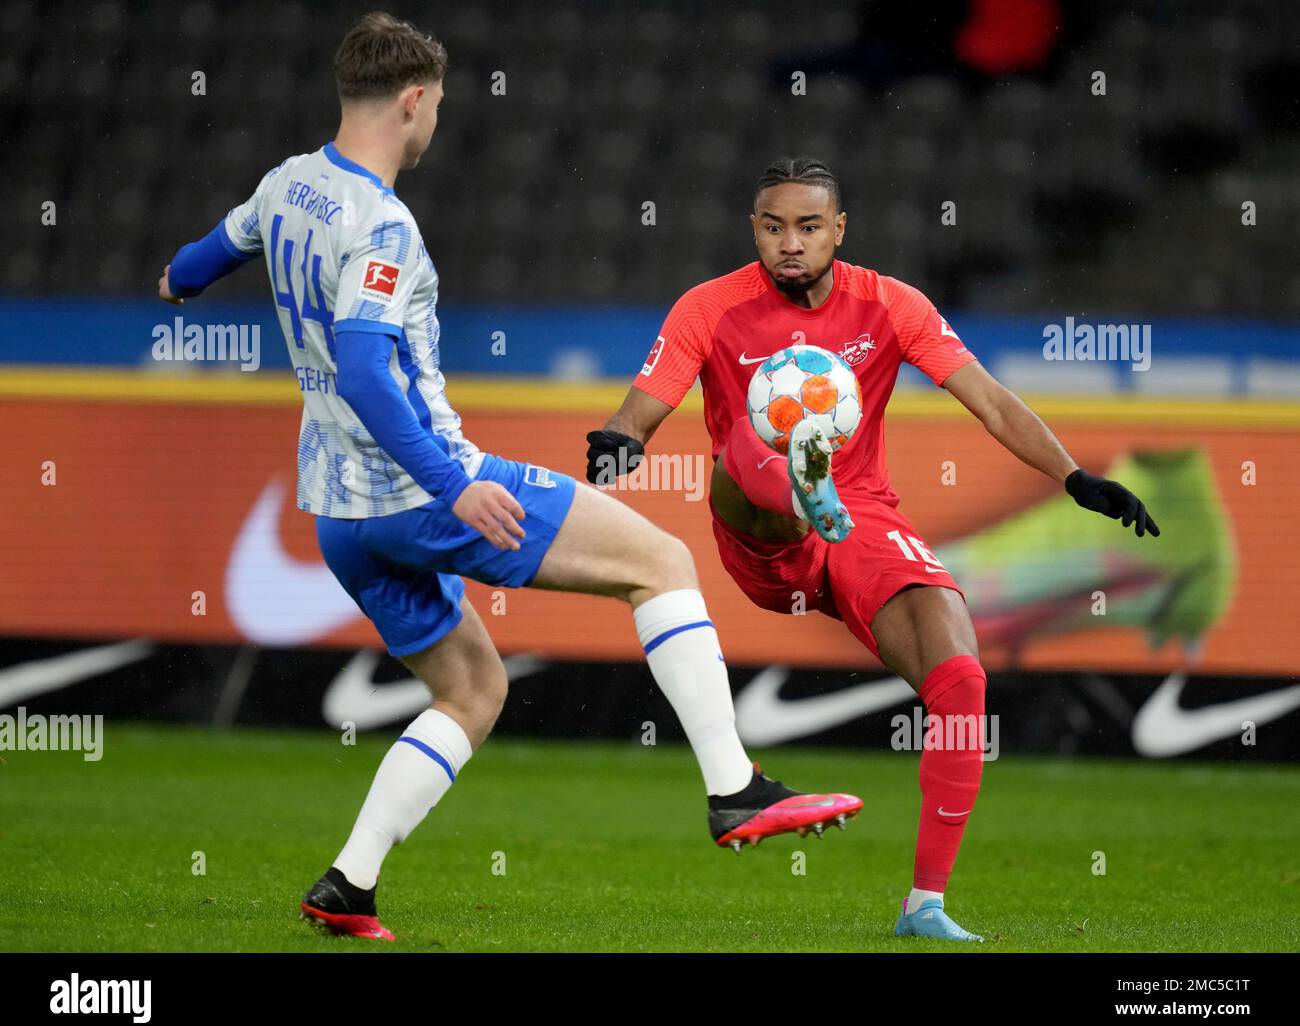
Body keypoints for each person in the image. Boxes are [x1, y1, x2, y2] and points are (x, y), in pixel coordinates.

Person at [156, 19, 861, 942]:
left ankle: (348, 883)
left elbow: (198, 263)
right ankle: (733, 788)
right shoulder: (384, 225)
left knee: (471, 692)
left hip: (337, 514)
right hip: (423, 490)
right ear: (414, 100)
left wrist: (175, 279)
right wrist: (453, 488)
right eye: (438, 104)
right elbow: (368, 371)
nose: (437, 120)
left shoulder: (288, 183)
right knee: (661, 561)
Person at [587, 157, 1159, 942]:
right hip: (760, 523)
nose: (790, 243)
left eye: (809, 227)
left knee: (959, 680)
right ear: (753, 228)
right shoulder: (708, 308)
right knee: (735, 459)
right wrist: (618, 445)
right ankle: (800, 482)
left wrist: (1072, 476)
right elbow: (637, 415)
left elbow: (988, 398)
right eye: (773, 226)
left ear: (839, 230)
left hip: (861, 519)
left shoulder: (891, 304)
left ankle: (925, 904)